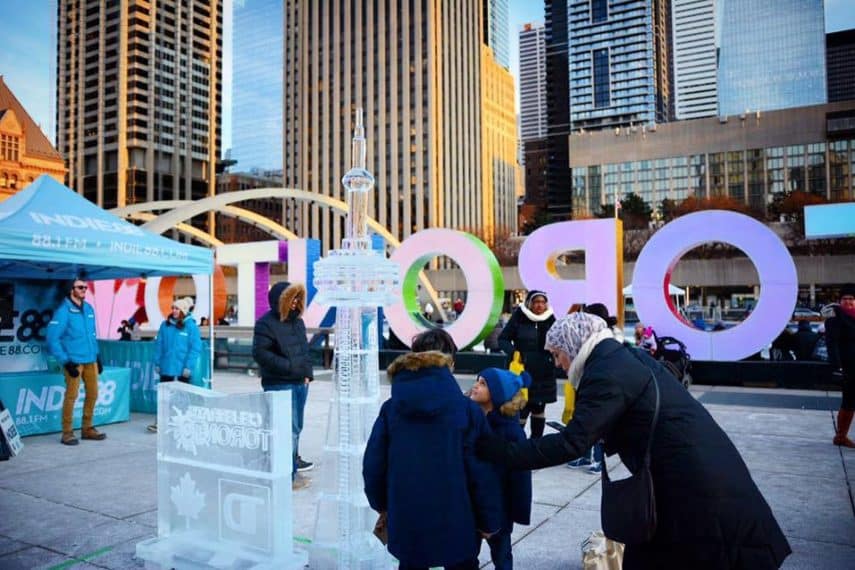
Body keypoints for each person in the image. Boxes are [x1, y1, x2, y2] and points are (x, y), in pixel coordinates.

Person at [478, 312, 791, 569]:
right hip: (692, 481)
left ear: (573, 346)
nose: (557, 364)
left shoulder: (606, 373)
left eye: (557, 354)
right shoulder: (622, 358)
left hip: (698, 493)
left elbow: (572, 443)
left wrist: (500, 451)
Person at [363, 329, 502, 570]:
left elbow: (374, 465)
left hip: (407, 517)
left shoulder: (391, 408)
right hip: (458, 520)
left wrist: (383, 505)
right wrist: (488, 520)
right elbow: (481, 472)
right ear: (451, 363)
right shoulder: (468, 411)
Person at [252, 281, 314, 489]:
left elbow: (305, 351)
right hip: (279, 384)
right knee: (284, 431)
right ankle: (286, 477)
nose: (296, 302)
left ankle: (291, 471)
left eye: (298, 298)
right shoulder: (266, 324)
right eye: (292, 298)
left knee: (296, 428)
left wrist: (307, 375)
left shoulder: (298, 323)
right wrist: (288, 367)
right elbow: (260, 353)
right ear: (281, 300)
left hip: (299, 384)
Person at [469, 367, 532, 569]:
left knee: (502, 554)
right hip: (472, 504)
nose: (475, 386)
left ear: (497, 394)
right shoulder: (473, 421)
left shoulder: (511, 432)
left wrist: (517, 511)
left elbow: (520, 478)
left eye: (483, 383)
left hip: (500, 508)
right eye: (477, 381)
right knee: (467, 556)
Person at [46, 278, 107, 445]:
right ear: (70, 290)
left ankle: (87, 429)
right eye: (80, 287)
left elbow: (92, 335)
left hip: (90, 360)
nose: (84, 290)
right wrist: (66, 362)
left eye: (85, 287)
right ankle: (67, 432)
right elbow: (52, 339)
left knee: (93, 394)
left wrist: (97, 356)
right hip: (73, 361)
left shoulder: (88, 308)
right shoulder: (63, 311)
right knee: (71, 396)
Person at [498, 290, 556, 439]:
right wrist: (514, 353)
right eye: (536, 302)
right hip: (522, 371)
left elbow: (559, 341)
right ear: (530, 303)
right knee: (520, 408)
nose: (540, 305)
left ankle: (536, 445)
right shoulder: (519, 317)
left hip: (544, 372)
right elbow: (503, 339)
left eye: (543, 302)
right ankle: (517, 443)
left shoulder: (550, 319)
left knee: (539, 408)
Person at [147, 298, 202, 433]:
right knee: (164, 397)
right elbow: (159, 345)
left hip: (182, 369)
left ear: (183, 311)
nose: (174, 311)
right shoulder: (165, 325)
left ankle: (184, 423)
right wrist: (158, 362)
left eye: (177, 309)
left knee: (183, 397)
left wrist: (188, 366)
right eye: (173, 308)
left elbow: (195, 348)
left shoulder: (191, 326)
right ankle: (160, 422)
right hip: (167, 368)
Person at [825, 284, 855, 447]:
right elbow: (832, 343)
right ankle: (841, 436)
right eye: (845, 299)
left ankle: (841, 436)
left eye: (851, 299)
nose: (848, 302)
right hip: (848, 366)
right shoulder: (835, 317)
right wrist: (837, 367)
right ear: (840, 301)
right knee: (849, 401)